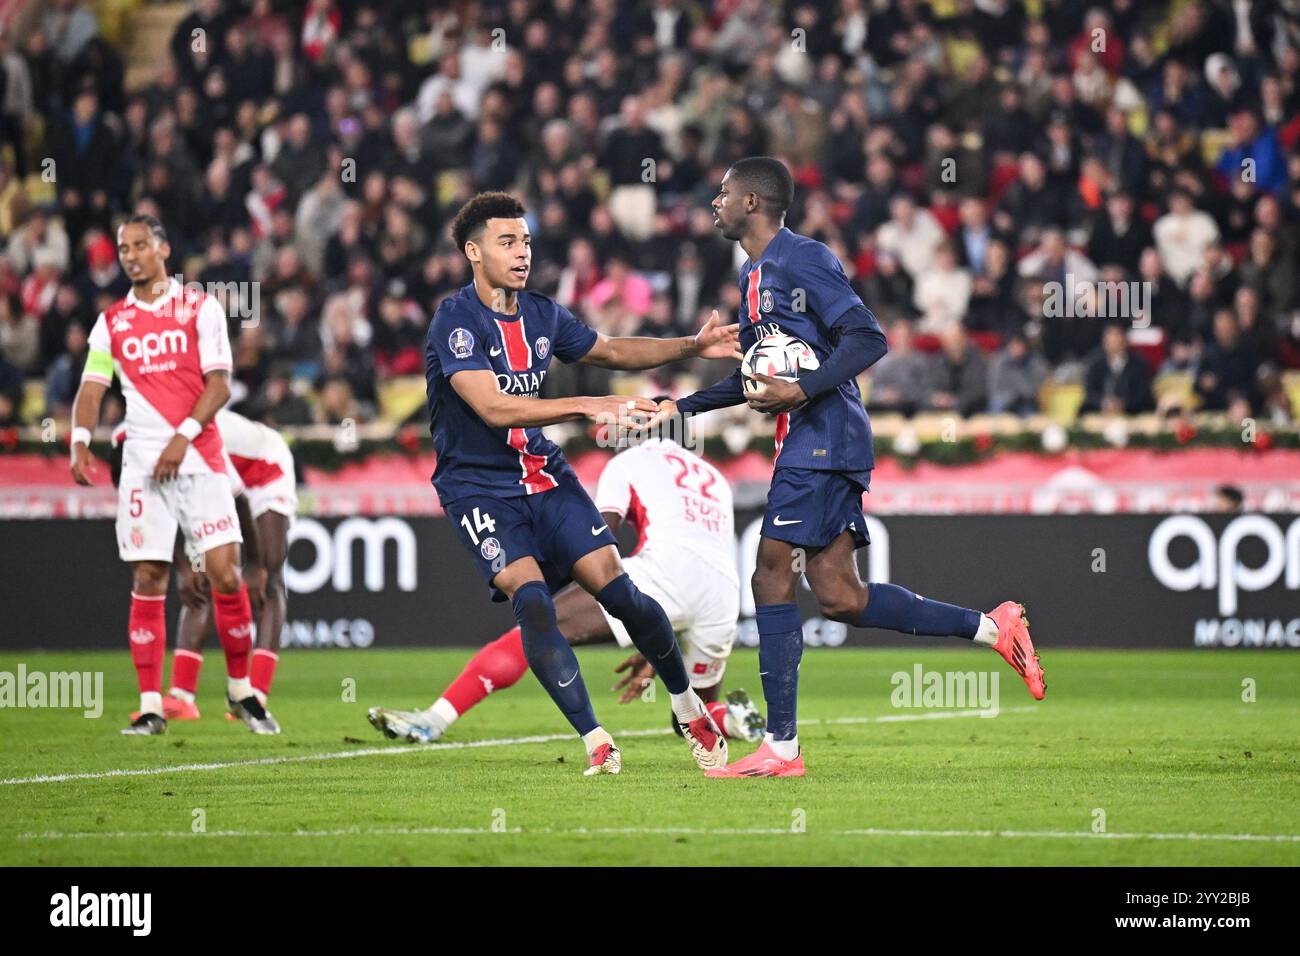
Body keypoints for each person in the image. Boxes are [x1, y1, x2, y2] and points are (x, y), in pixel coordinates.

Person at [647, 158, 1045, 778]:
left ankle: (781, 749)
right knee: (839, 595)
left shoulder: (801, 258)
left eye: (723, 194)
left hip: (823, 436)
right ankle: (993, 628)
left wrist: (802, 390)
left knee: (770, 573)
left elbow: (868, 338)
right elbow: (754, 378)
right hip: (812, 437)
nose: (714, 203)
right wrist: (679, 405)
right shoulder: (754, 275)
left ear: (752, 202)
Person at [423, 191, 741, 776]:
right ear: (473, 251)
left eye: (525, 240)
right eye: (506, 241)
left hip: (543, 475)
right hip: (479, 490)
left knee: (617, 590)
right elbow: (493, 409)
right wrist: (587, 405)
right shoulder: (456, 322)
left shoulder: (542, 313)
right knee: (535, 604)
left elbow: (613, 349)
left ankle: (686, 704)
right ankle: (596, 737)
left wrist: (692, 345)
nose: (522, 252)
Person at [368, 428, 764, 745]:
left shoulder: (630, 461)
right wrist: (654, 638)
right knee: (691, 715)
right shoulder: (714, 476)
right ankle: (729, 718)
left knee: (535, 630)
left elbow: (597, 538)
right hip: (723, 595)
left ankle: (433, 720)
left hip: (663, 573)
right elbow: (698, 558)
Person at [69, 215, 274, 735]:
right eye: (123, 248)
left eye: (140, 245)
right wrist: (79, 440)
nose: (131, 255)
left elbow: (220, 385)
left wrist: (182, 437)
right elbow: (93, 388)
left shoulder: (200, 307)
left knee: (225, 574)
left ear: (162, 249)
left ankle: (241, 691)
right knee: (149, 576)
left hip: (199, 457)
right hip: (142, 463)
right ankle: (151, 706)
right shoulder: (111, 322)